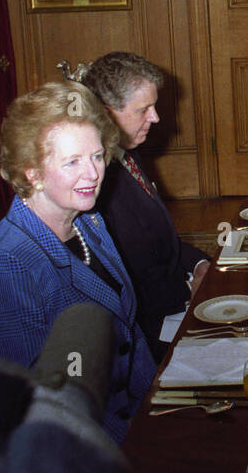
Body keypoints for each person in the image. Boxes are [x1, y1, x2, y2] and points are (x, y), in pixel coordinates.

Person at [0, 80, 157, 445]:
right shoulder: (3, 265)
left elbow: (130, 334)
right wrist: (137, 442)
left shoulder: (88, 222)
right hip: (81, 450)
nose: (92, 174)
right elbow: (34, 407)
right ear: (30, 172)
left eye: (97, 156)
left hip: (135, 415)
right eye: (72, 162)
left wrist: (159, 399)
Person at [81, 52, 210, 362]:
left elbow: (160, 245)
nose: (156, 118)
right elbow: (129, 280)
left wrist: (201, 265)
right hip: (146, 334)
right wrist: (192, 300)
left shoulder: (126, 153)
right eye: (144, 109)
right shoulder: (95, 183)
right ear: (106, 114)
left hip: (173, 302)